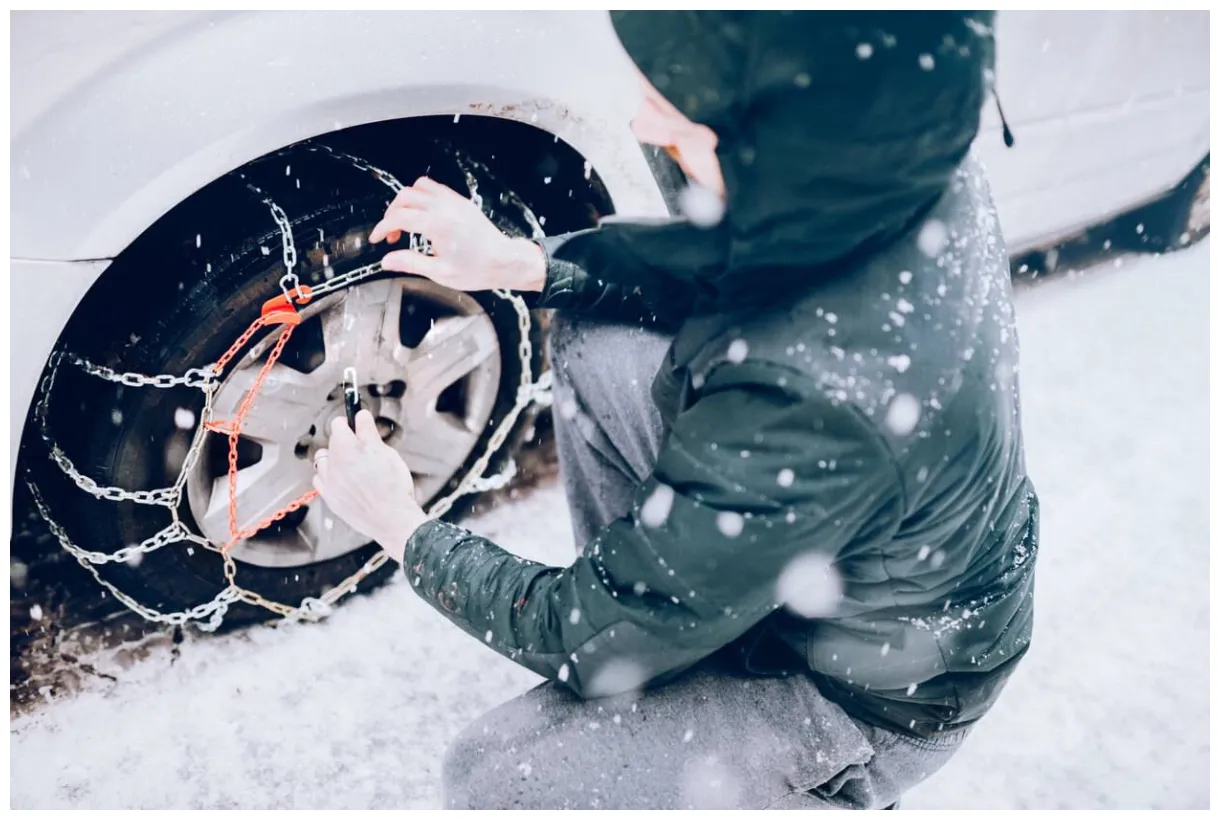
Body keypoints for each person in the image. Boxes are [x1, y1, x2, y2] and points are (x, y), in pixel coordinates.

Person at [312, 10, 1038, 810]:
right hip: (863, 557)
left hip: (876, 691)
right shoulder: (889, 155)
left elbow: (576, 632)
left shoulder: (811, 398)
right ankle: (674, 620)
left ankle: (813, 776)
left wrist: (403, 530)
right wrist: (524, 263)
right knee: (599, 338)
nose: (641, 119)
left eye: (681, 117)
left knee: (495, 777)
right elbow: (737, 255)